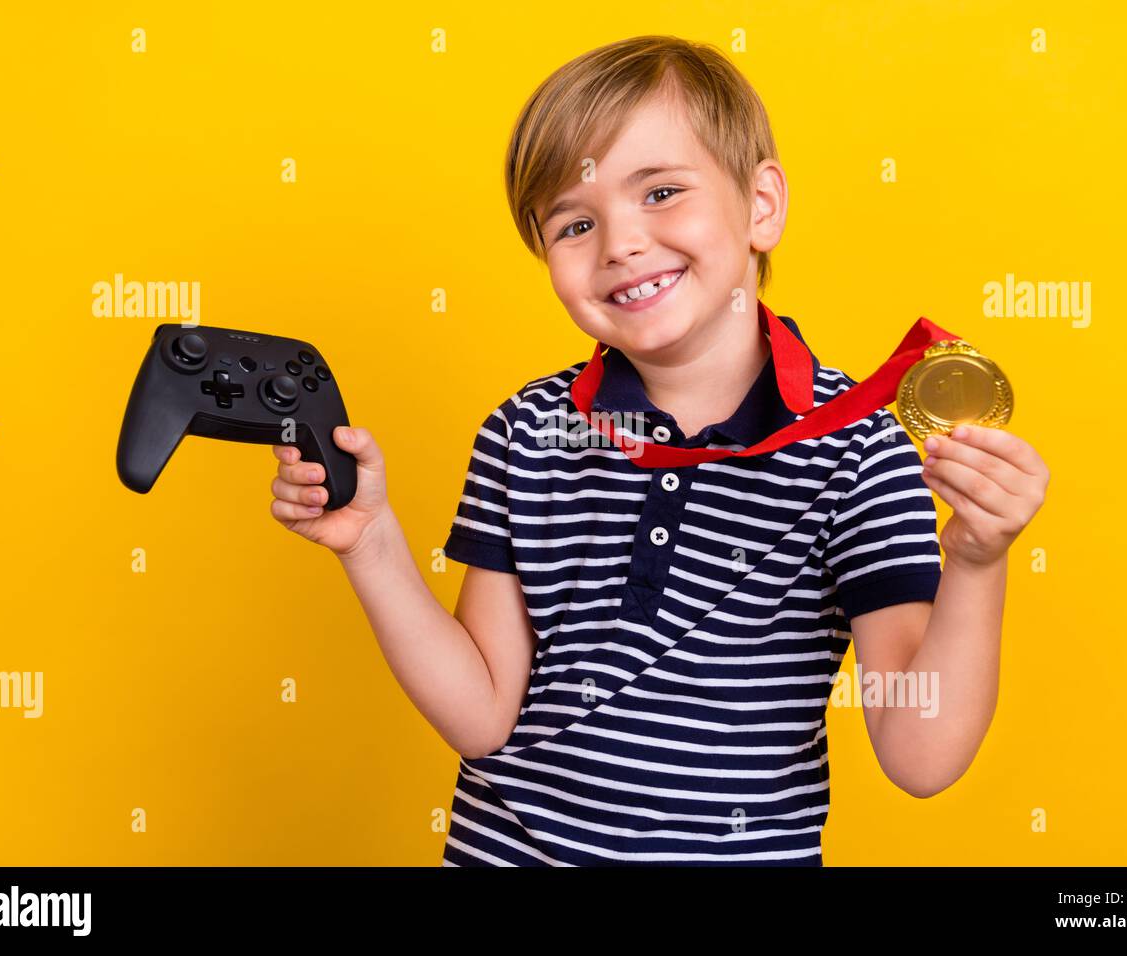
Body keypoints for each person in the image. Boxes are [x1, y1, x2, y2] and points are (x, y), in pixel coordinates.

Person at [267, 35, 1049, 865]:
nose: (621, 244)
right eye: (575, 222)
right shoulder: (526, 431)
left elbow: (920, 757)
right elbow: (483, 715)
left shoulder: (858, 447)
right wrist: (375, 543)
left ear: (761, 205)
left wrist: (974, 563)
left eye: (663, 192)